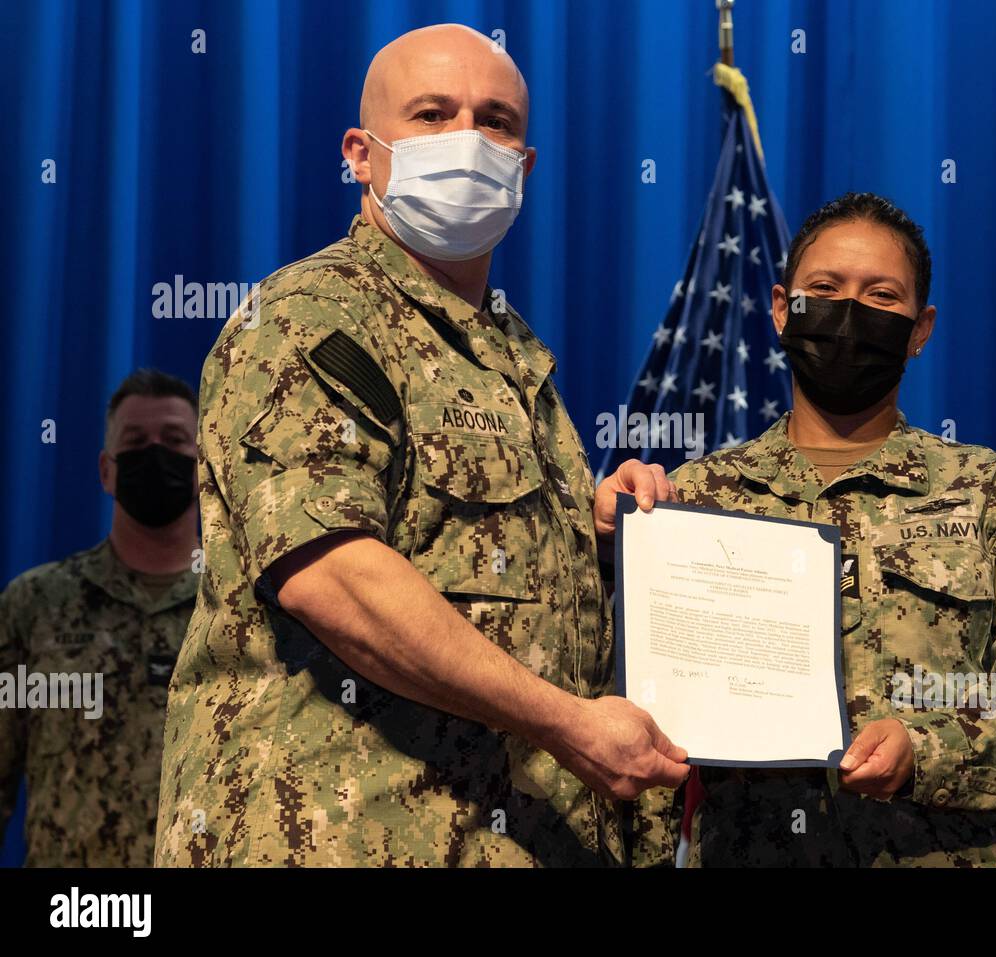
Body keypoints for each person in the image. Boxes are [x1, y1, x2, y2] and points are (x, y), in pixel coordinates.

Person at [154, 23, 687, 868]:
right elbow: (334, 577)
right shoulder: (309, 317)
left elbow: (462, 558)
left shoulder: (510, 353)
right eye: (434, 114)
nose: (468, 139)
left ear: (526, 163)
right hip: (336, 837)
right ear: (362, 154)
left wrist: (587, 531)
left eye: (497, 121)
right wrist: (569, 723)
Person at [638, 192, 996, 866]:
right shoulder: (695, 500)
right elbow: (647, 724)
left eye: (882, 297)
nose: (849, 314)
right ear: (780, 309)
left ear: (921, 329)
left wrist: (927, 747)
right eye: (823, 289)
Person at [0, 369, 200, 866]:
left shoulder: (245, 607)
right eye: (135, 441)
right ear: (107, 471)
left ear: (204, 467)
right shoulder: (36, 604)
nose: (155, 454)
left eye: (175, 440)